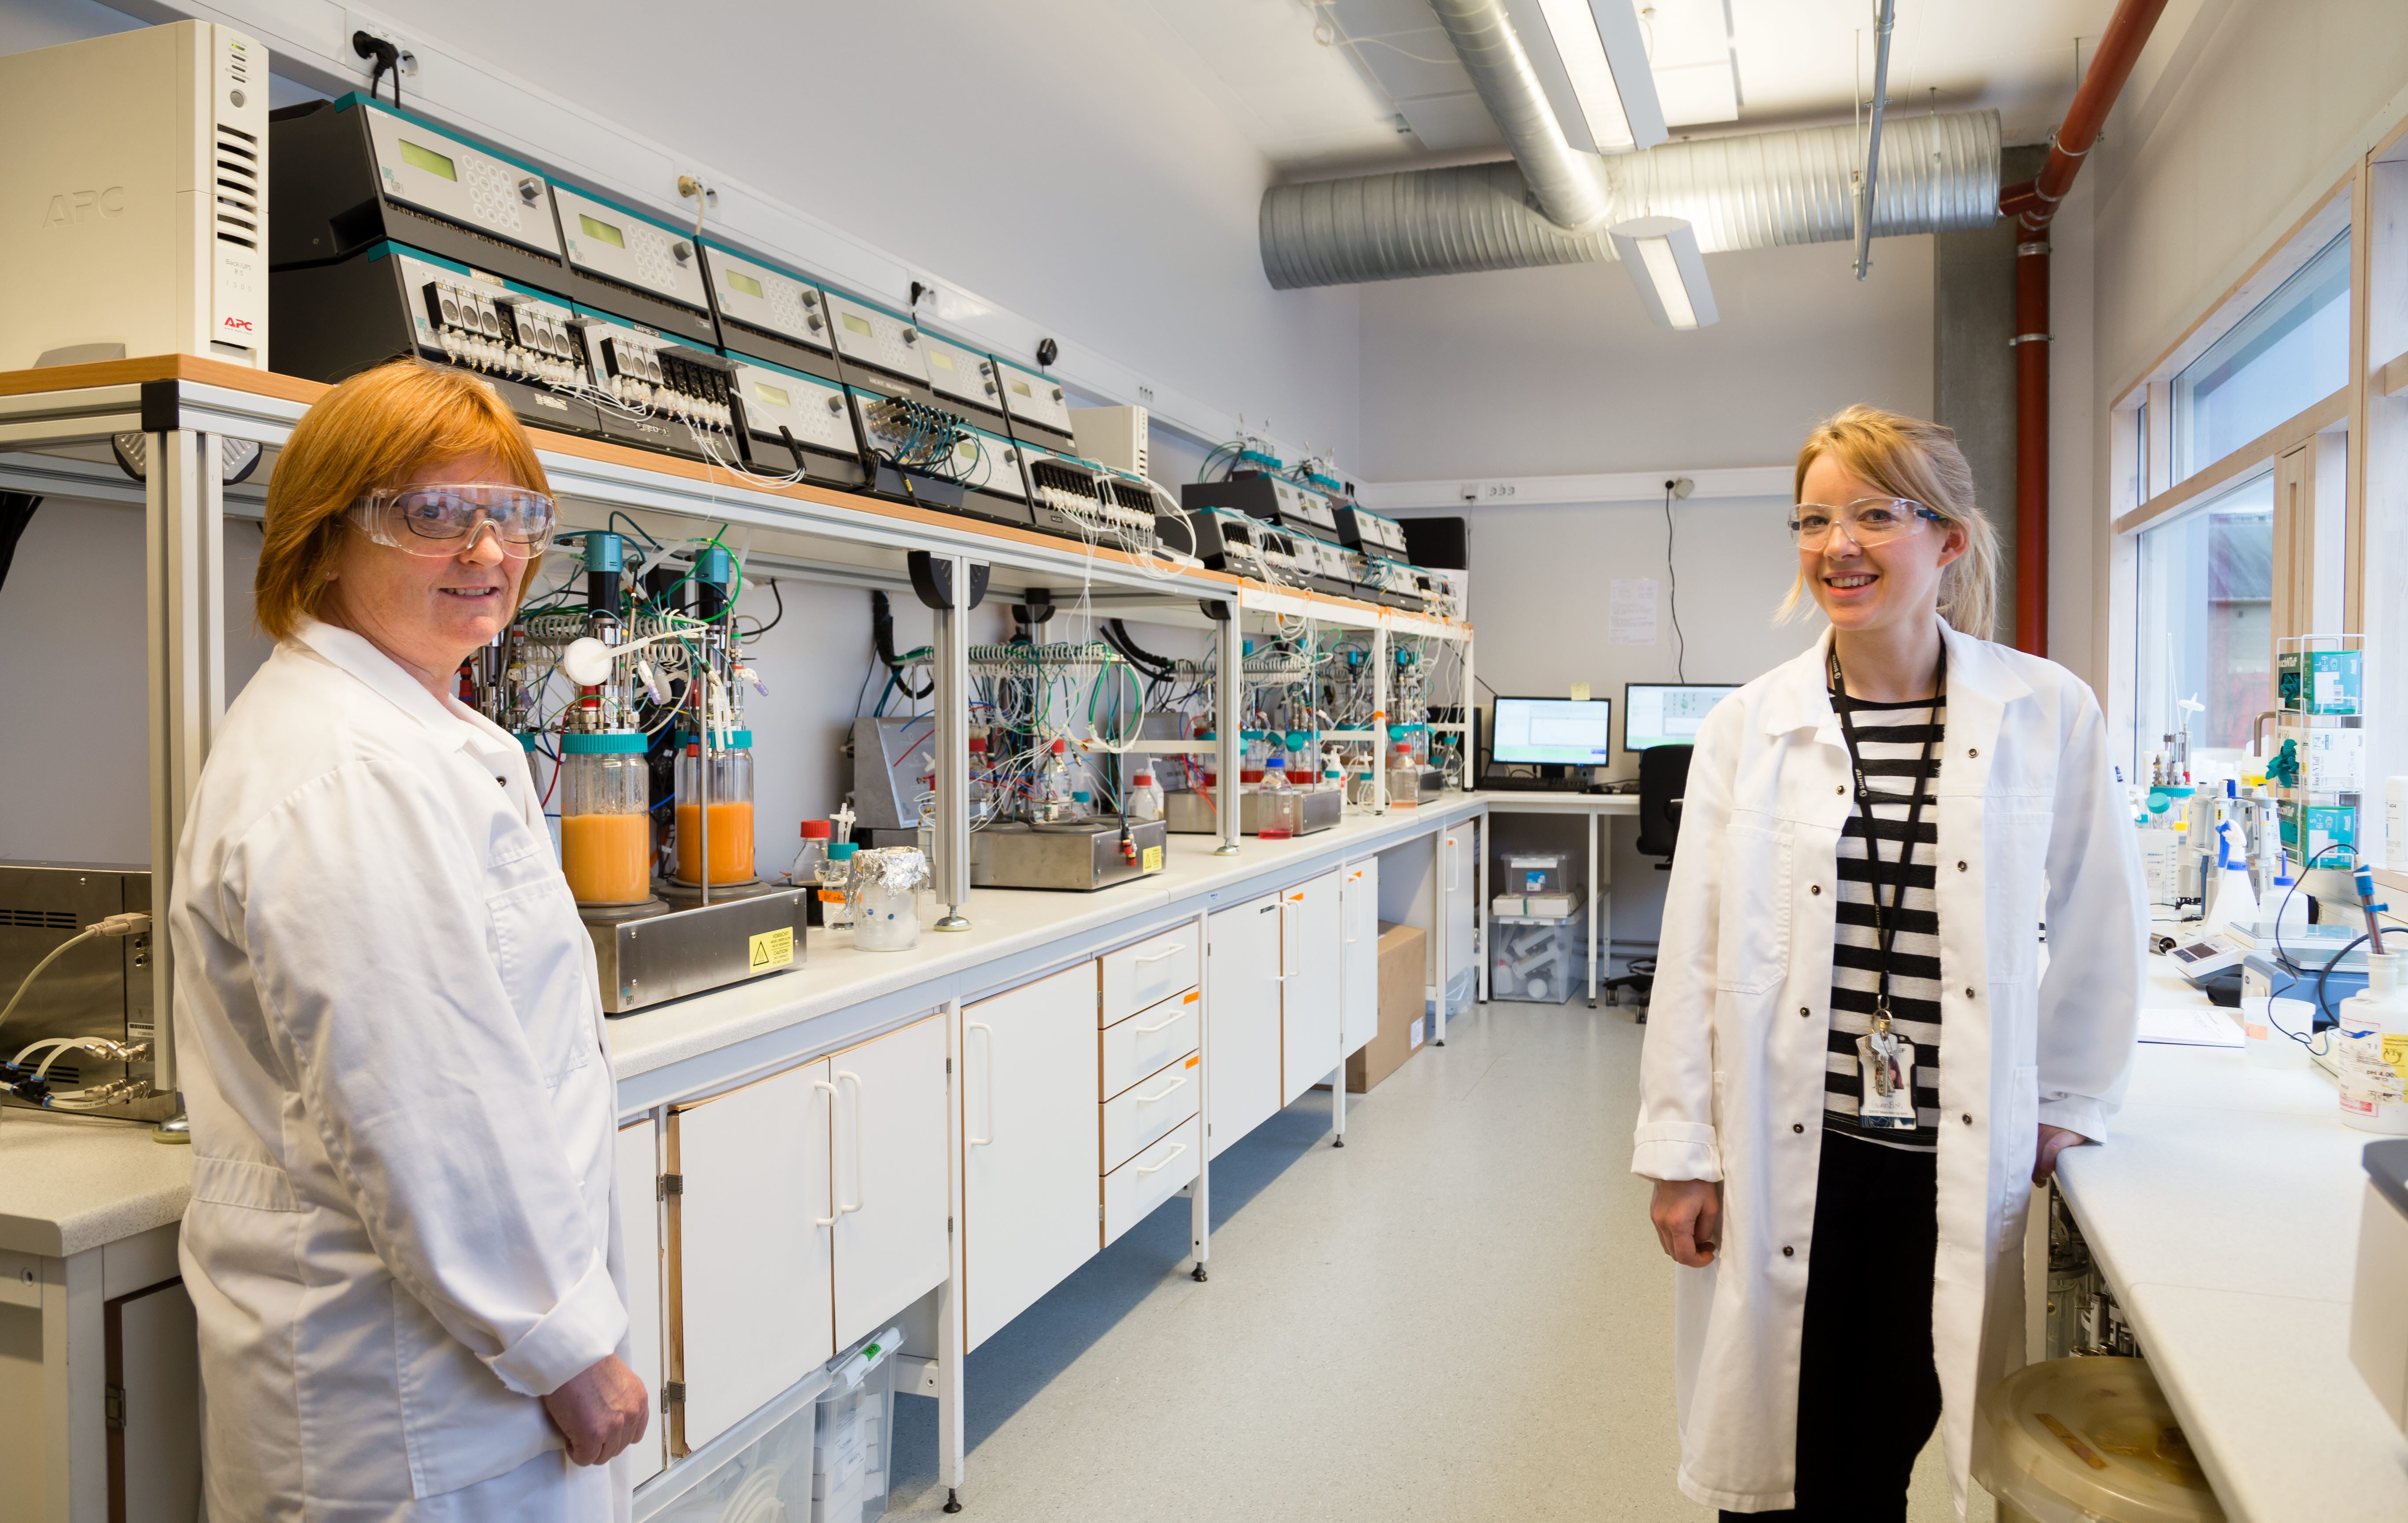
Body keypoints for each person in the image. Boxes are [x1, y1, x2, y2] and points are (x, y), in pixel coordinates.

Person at [1632, 405, 2144, 1521]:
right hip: (1794, 1149)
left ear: (1949, 540)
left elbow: (2101, 915)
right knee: (1776, 1466)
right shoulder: (1747, 725)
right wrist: (1681, 1148)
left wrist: (2069, 1096)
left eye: (1874, 513)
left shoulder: (2046, 711)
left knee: (1886, 1447)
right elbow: (1693, 953)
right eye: (1813, 519)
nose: (1837, 544)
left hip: (1951, 1160)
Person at [168, 363, 649, 1520]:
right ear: (323, 539)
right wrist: (566, 1348)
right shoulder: (346, 771)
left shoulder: (411, 726)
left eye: (515, 513)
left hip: (452, 1368)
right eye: (431, 514)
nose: (489, 551)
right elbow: (425, 1105)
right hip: (410, 1397)